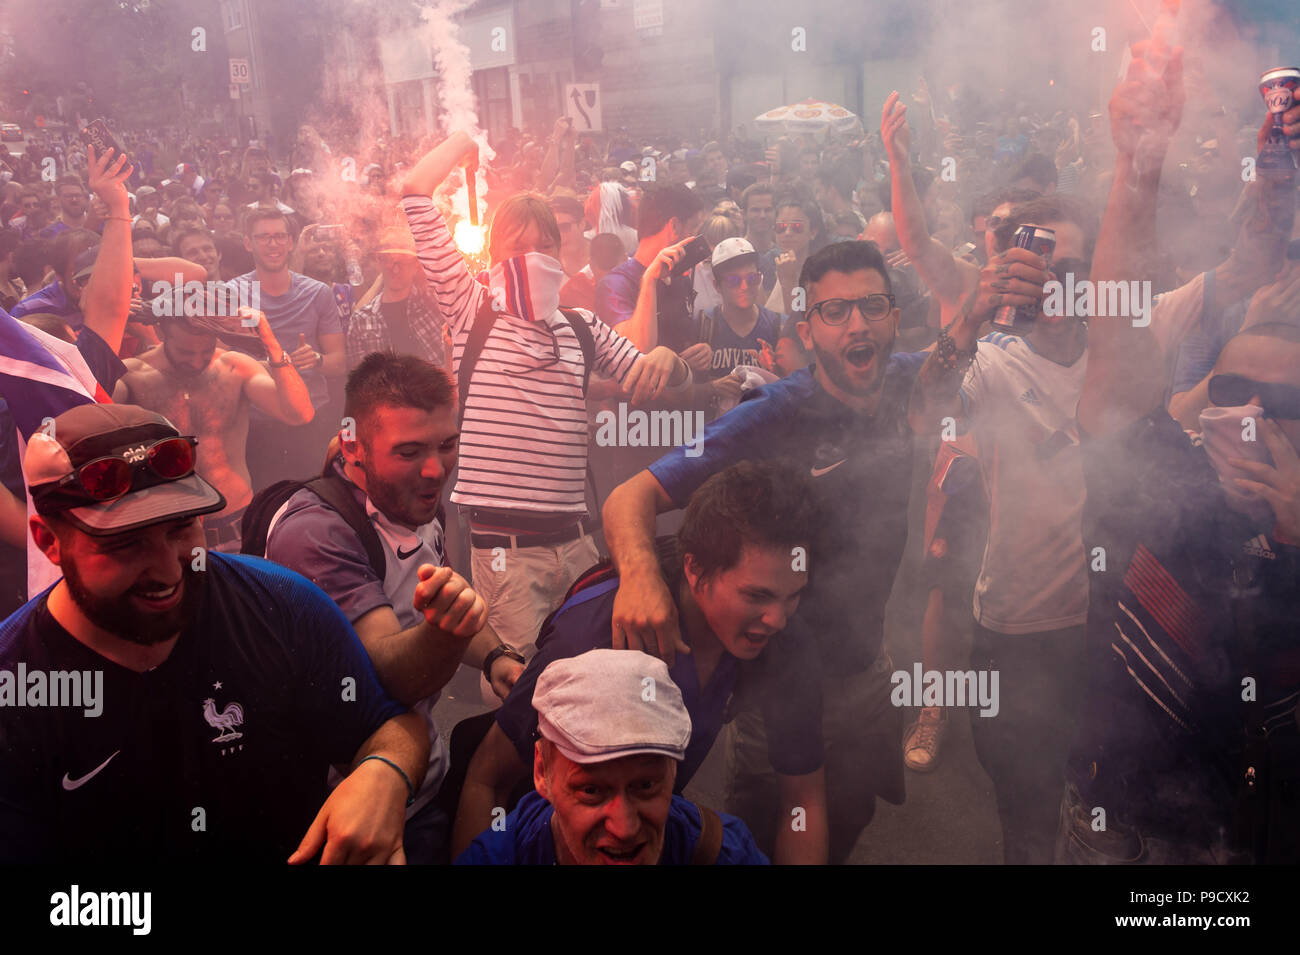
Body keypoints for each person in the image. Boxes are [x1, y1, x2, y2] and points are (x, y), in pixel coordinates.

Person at [604, 240, 924, 864]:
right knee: (758, 837)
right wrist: (640, 580)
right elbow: (628, 497)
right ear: (807, 330)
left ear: (894, 319)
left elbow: (965, 351)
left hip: (866, 674)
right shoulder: (772, 413)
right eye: (836, 312)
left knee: (849, 820)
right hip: (775, 681)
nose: (857, 324)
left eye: (872, 307)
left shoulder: (909, 378)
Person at [0, 402, 428, 864]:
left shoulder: (281, 604)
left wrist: (384, 772)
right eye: (126, 544)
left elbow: (390, 724)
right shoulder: (17, 688)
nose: (167, 570)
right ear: (48, 542)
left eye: (182, 528)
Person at [1060, 41, 1300, 865]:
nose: (1253, 419)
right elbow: (1122, 363)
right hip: (1113, 826)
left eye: (1289, 407)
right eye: (1233, 392)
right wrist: (1138, 171)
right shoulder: (1169, 479)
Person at [399, 131, 691, 701]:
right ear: (492, 251)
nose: (532, 257)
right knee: (518, 690)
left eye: (544, 246)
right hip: (507, 549)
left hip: (580, 540)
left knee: (586, 685)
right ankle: (509, 787)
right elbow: (414, 194)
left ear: (562, 252)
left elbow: (649, 379)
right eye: (516, 246)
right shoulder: (472, 306)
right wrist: (464, 141)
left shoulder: (581, 324)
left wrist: (668, 361)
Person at [453, 460, 826, 862]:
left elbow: (803, 801)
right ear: (695, 568)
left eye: (792, 596)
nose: (777, 619)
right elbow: (486, 779)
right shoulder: (595, 637)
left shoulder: (784, 638)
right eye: (756, 596)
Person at [266, 353, 515, 863]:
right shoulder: (315, 533)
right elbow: (386, 676)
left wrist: (498, 659)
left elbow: (441, 597)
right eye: (408, 451)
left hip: (422, 781)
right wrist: (450, 627)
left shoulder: (411, 500)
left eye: (447, 444)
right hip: (347, 816)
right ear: (355, 446)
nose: (435, 469)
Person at [456, 649, 768, 865]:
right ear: (542, 771)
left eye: (645, 785)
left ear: (672, 772)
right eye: (591, 790)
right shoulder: (499, 857)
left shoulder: (723, 853)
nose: (625, 828)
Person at [112, 306, 313, 551]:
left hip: (236, 519)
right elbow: (90, 411)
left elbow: (299, 413)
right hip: (170, 527)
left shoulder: (235, 367)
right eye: (185, 352)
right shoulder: (132, 375)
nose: (197, 361)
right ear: (161, 333)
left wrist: (270, 343)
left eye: (205, 351)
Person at [227, 208, 345, 490]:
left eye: (279, 236)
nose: (273, 244)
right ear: (248, 243)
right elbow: (222, 362)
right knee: (266, 511)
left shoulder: (318, 293)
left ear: (291, 242)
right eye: (264, 237)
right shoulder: (231, 293)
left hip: (312, 420)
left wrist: (316, 360)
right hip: (256, 424)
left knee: (320, 502)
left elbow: (339, 362)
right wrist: (275, 365)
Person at [594, 181, 704, 354]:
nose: (695, 239)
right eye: (693, 228)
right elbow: (635, 349)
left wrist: (695, 355)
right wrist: (649, 281)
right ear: (674, 226)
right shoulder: (614, 285)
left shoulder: (679, 278)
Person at [346, 227, 447, 370]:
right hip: (387, 392)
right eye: (389, 261)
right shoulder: (361, 320)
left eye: (403, 262)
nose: (395, 270)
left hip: (437, 390)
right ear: (379, 262)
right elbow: (359, 380)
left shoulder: (435, 303)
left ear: (416, 265)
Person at [766, 190, 825, 315]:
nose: (787, 233)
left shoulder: (820, 273)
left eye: (797, 227)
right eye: (781, 227)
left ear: (813, 232)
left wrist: (788, 281)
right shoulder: (770, 267)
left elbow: (798, 321)